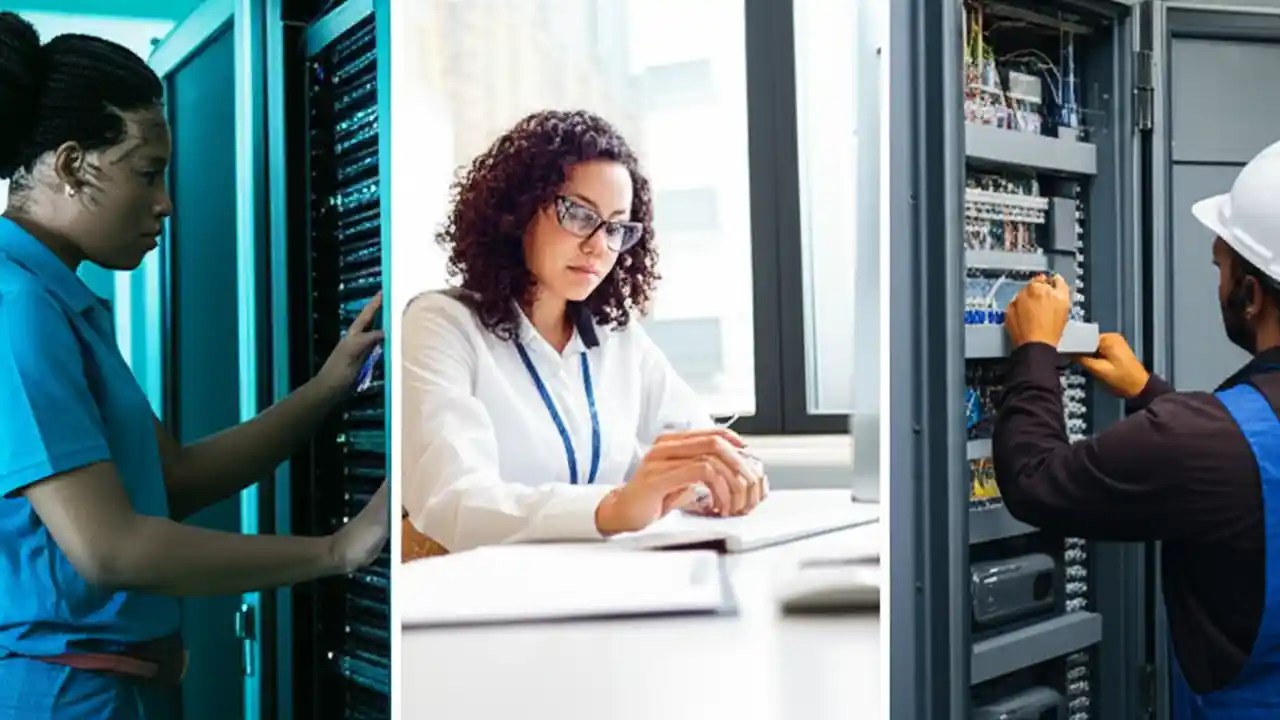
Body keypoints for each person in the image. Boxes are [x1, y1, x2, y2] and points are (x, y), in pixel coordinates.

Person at [0, 13, 389, 719]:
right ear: (70, 164)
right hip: (63, 696)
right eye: (148, 173)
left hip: (119, 688)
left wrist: (329, 388)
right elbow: (109, 549)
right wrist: (336, 550)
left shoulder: (61, 302)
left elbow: (171, 482)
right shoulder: (15, 305)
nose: (166, 204)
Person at [996, 139, 1280, 717]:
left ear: (1250, 295)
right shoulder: (1209, 438)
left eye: (1221, 266)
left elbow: (1034, 479)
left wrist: (1034, 349)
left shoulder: (1200, 439)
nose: (1219, 282)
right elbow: (1244, 466)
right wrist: (1149, 394)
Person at [401, 109, 766, 553]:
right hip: (481, 598)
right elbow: (455, 500)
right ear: (517, 212)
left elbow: (696, 440)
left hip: (594, 584)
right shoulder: (442, 324)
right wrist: (615, 507)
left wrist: (726, 477)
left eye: (615, 227)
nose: (598, 245)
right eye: (577, 214)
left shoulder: (618, 337)